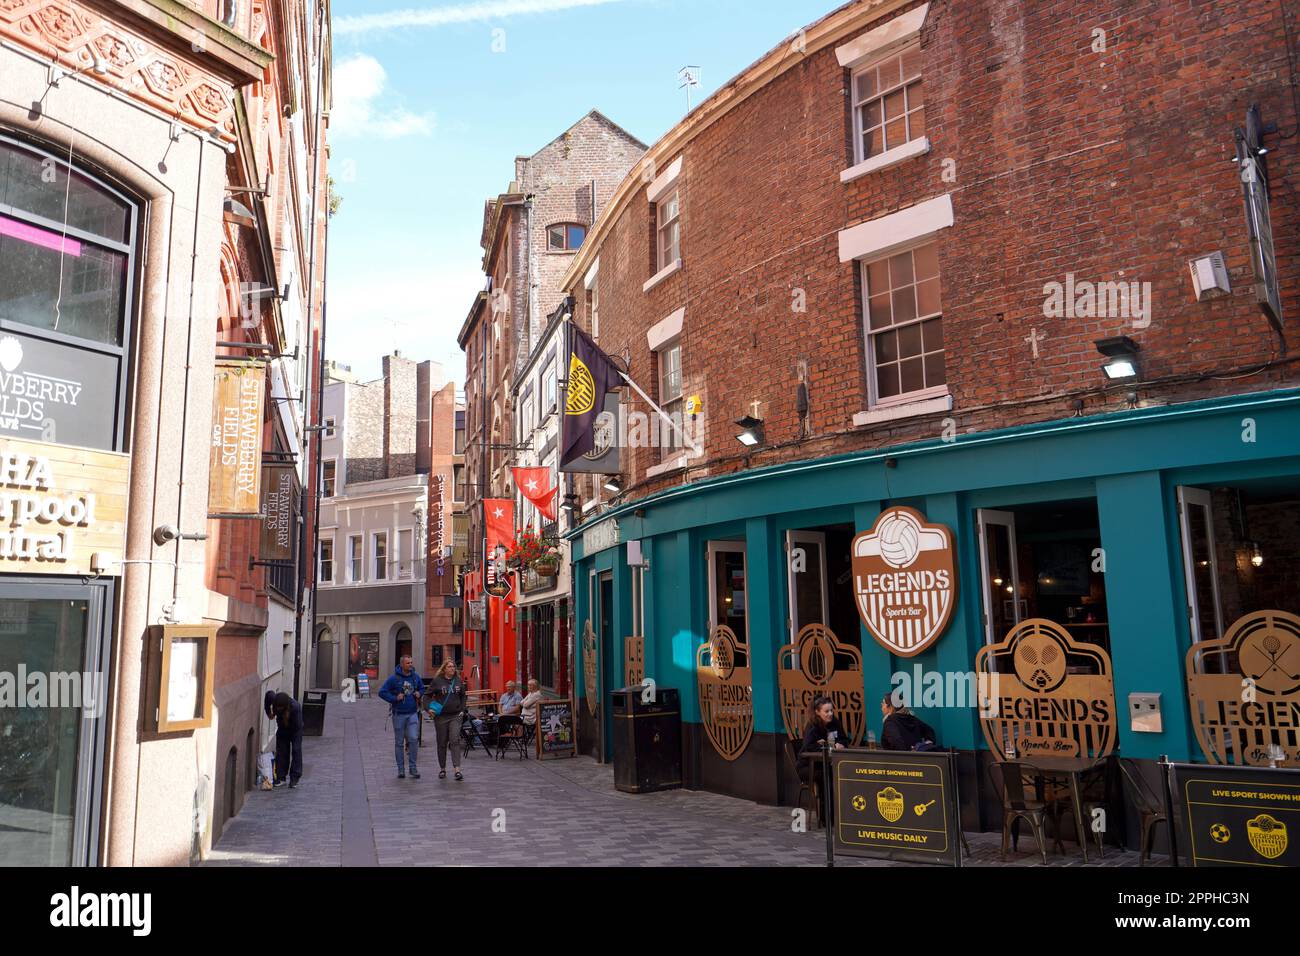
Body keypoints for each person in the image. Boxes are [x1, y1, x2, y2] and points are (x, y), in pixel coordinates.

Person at [798, 696, 846, 823]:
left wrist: (840, 744)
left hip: (829, 763)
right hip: (808, 767)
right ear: (818, 712)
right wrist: (823, 746)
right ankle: (827, 819)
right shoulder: (812, 726)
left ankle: (843, 814)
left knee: (840, 773)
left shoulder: (834, 722)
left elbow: (844, 738)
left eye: (831, 710)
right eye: (826, 711)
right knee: (827, 776)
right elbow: (809, 746)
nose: (830, 714)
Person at [378, 656, 424, 779]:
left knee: (414, 739)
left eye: (411, 662)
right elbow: (382, 692)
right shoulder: (394, 678)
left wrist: (419, 693)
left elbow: (422, 688)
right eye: (408, 663)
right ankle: (401, 769)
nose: (410, 665)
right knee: (399, 742)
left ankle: (413, 768)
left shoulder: (415, 677)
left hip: (412, 713)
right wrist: (394, 698)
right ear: (402, 664)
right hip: (398, 714)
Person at [428, 660, 466, 781]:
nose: (452, 668)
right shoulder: (437, 681)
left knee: (455, 740)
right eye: (449, 667)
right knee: (442, 743)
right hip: (441, 717)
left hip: (455, 715)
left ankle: (457, 769)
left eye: (453, 666)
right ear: (444, 669)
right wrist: (429, 708)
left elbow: (464, 696)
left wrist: (462, 709)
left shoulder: (458, 681)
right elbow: (426, 695)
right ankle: (442, 768)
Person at [264, 690, 303, 789]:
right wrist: (269, 713)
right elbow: (268, 695)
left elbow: (297, 727)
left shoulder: (295, 708)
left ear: (286, 707)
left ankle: (294, 778)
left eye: (280, 708)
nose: (278, 709)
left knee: (296, 750)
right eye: (277, 707)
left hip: (295, 730)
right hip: (282, 728)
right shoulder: (274, 699)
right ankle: (281, 777)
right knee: (282, 751)